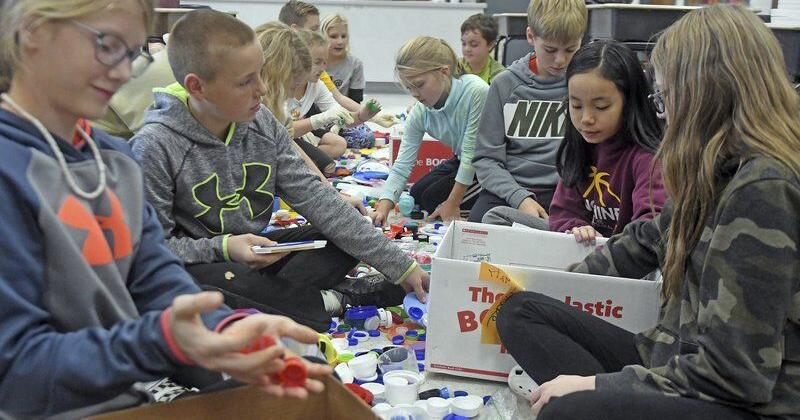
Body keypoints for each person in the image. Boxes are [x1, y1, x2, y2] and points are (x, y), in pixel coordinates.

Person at [0, 1, 328, 417]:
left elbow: (156, 280)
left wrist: (225, 330)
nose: (121, 72)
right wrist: (163, 341)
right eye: (107, 45)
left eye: (132, 52)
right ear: (32, 33)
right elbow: (16, 373)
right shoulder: (11, 168)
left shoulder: (115, 161)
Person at [497, 5, 800, 419]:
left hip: (746, 401)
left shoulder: (763, 189)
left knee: (567, 410)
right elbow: (642, 243)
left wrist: (594, 385)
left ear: (703, 94)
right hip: (676, 354)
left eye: (665, 96)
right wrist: (555, 281)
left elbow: (735, 376)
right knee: (520, 309)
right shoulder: (717, 167)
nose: (663, 111)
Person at [130, 10, 429, 333]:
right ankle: (333, 301)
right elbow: (150, 251)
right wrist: (224, 247)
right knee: (203, 287)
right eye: (246, 81)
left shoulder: (261, 123)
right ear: (197, 87)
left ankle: (278, 301)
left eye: (260, 73)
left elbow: (319, 201)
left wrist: (402, 267)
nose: (262, 89)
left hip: (253, 257)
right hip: (203, 266)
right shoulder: (155, 145)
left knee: (341, 232)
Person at [482, 41, 667, 243]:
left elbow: (651, 228)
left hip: (619, 257)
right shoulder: (580, 147)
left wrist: (601, 245)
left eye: (601, 106)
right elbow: (562, 214)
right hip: (577, 246)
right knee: (496, 216)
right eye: (576, 105)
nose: (586, 118)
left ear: (630, 103)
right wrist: (575, 228)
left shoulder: (647, 158)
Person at [470, 0, 587, 223]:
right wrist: (520, 198)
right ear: (530, 36)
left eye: (571, 49)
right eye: (550, 50)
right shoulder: (504, 85)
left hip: (569, 190)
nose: (560, 60)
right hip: (512, 188)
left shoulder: (585, 83)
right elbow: (486, 159)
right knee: (478, 230)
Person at [371, 37, 489, 226]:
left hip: (490, 165)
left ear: (444, 72)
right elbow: (402, 165)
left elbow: (471, 156)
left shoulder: (476, 91)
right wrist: (383, 206)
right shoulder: (420, 111)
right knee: (418, 193)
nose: (415, 94)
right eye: (409, 87)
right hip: (462, 160)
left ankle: (492, 199)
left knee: (433, 199)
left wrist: (452, 203)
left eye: (419, 85)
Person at [460, 13, 505, 84]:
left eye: (474, 44)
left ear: (490, 45)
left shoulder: (499, 75)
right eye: (464, 43)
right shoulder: (455, 69)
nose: (467, 49)